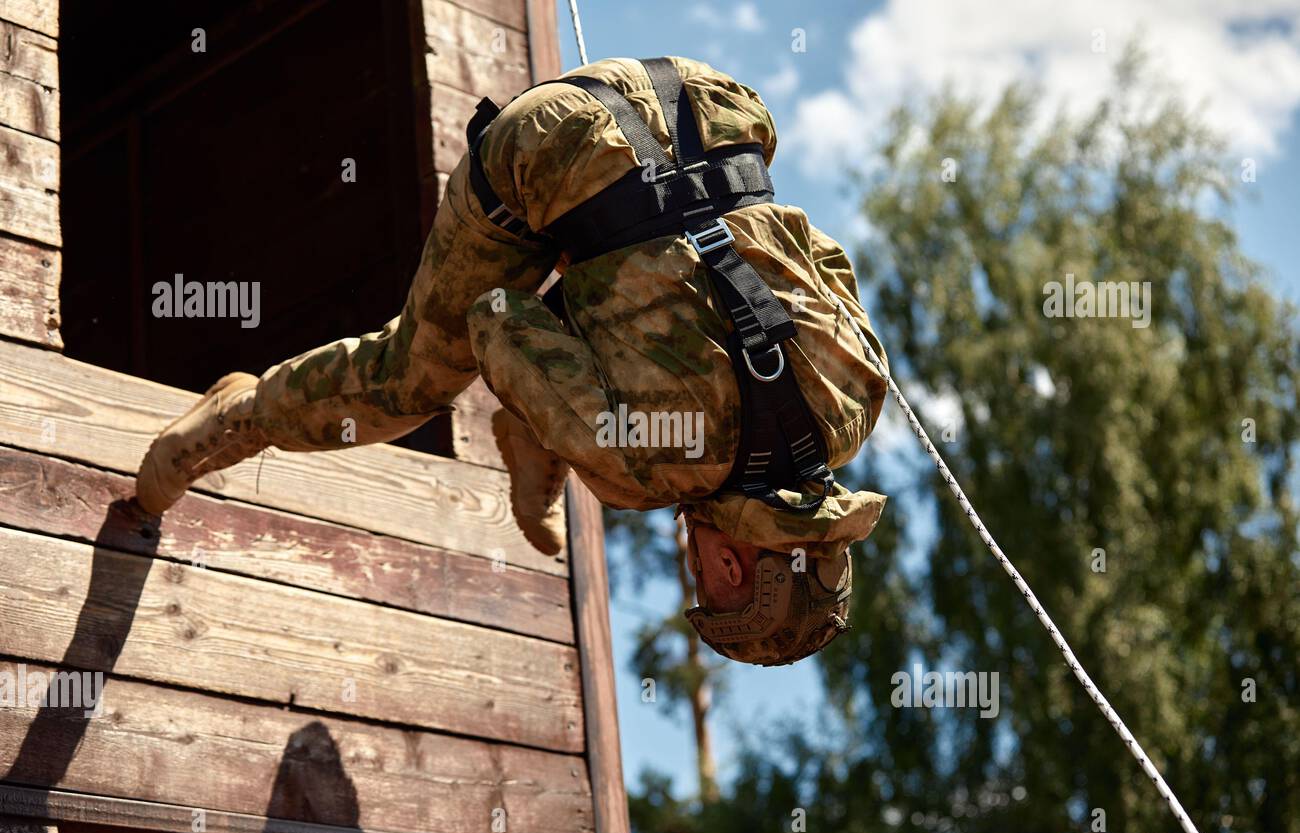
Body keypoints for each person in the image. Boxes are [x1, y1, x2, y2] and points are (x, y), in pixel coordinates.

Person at [135, 55, 890, 666]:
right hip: (547, 146)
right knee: (408, 380)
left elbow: (820, 254)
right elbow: (498, 316)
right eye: (704, 580)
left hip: (710, 105)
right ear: (732, 569)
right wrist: (608, 287)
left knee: (587, 375)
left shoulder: (858, 405)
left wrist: (652, 284)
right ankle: (235, 419)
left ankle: (544, 436)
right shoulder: (650, 472)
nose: (691, 564)